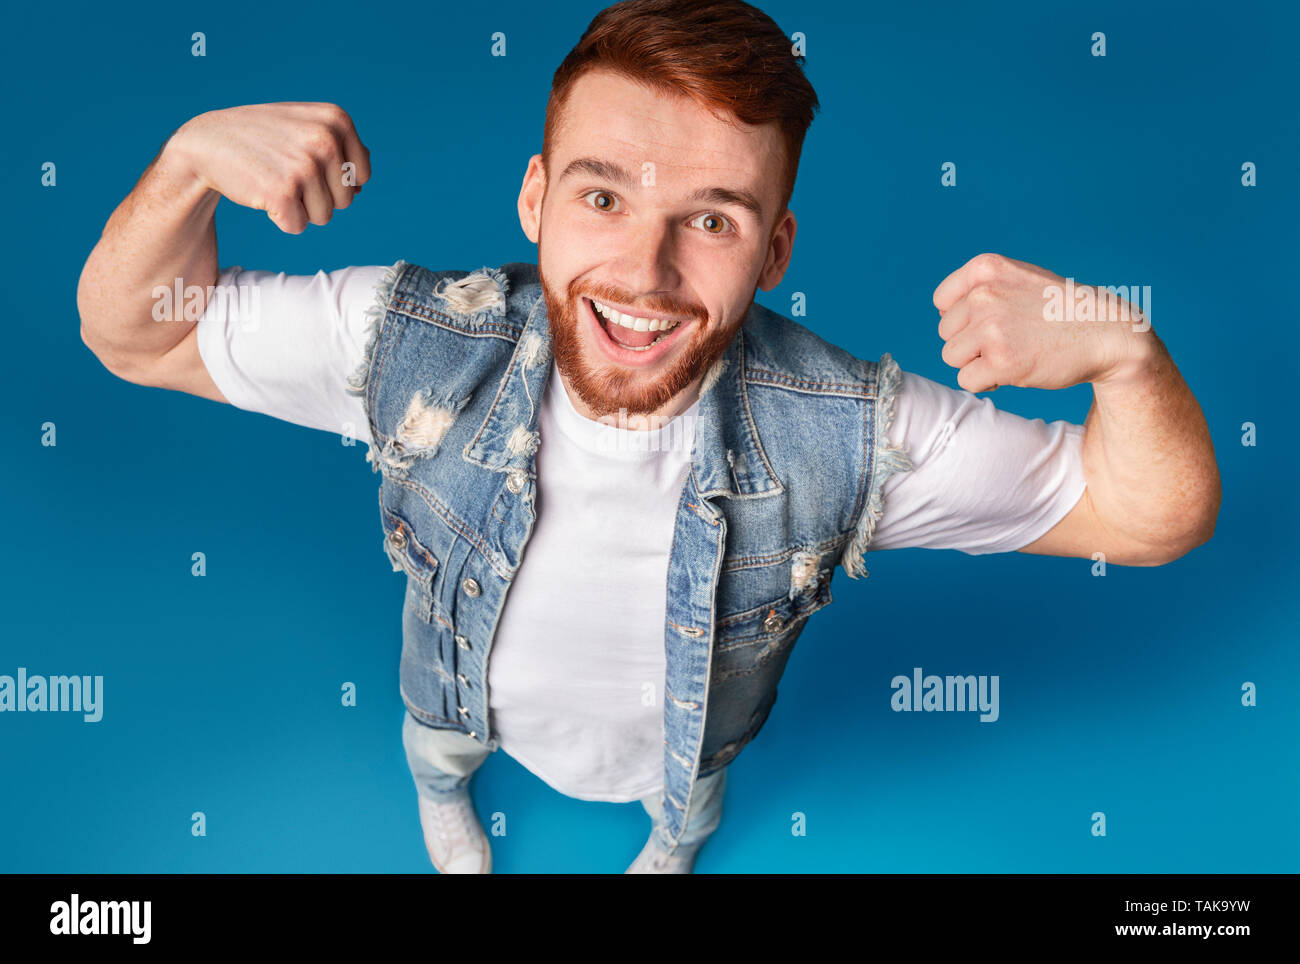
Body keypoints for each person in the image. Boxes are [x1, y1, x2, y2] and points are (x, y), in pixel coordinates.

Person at [75, 0, 1220, 874]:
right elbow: (137, 338)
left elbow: (1149, 517)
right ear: (536, 199)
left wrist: (1123, 351)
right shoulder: (413, 342)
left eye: (710, 219)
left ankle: (669, 847)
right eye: (604, 196)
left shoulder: (852, 430)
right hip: (452, 693)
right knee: (437, 748)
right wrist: (184, 169)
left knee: (688, 809)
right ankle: (442, 797)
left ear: (773, 254)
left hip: (691, 748)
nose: (644, 274)